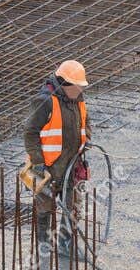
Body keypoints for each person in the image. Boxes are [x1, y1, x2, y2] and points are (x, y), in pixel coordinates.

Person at [22, 60, 90, 255]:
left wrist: (87, 139)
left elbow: (86, 122)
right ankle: (43, 243)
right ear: (64, 84)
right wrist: (38, 162)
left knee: (73, 207)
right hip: (48, 168)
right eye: (77, 86)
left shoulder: (78, 99)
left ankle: (65, 245)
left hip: (71, 165)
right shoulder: (44, 101)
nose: (80, 90)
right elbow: (30, 133)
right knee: (45, 208)